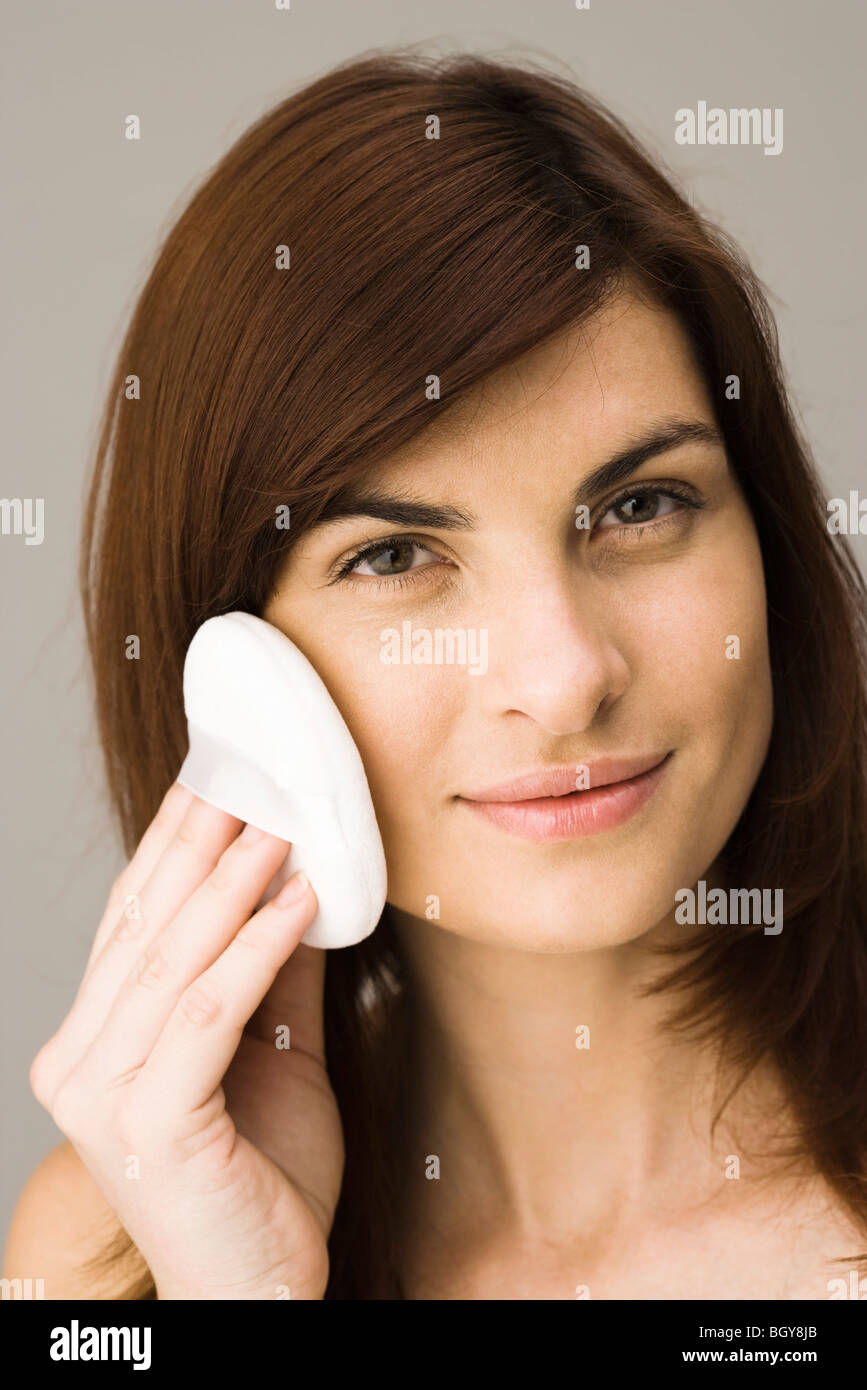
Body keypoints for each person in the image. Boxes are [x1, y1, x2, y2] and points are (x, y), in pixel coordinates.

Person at [5, 48, 867, 1300]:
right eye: (395, 556)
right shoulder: (109, 1254)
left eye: (640, 505)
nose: (565, 679)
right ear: (233, 673)